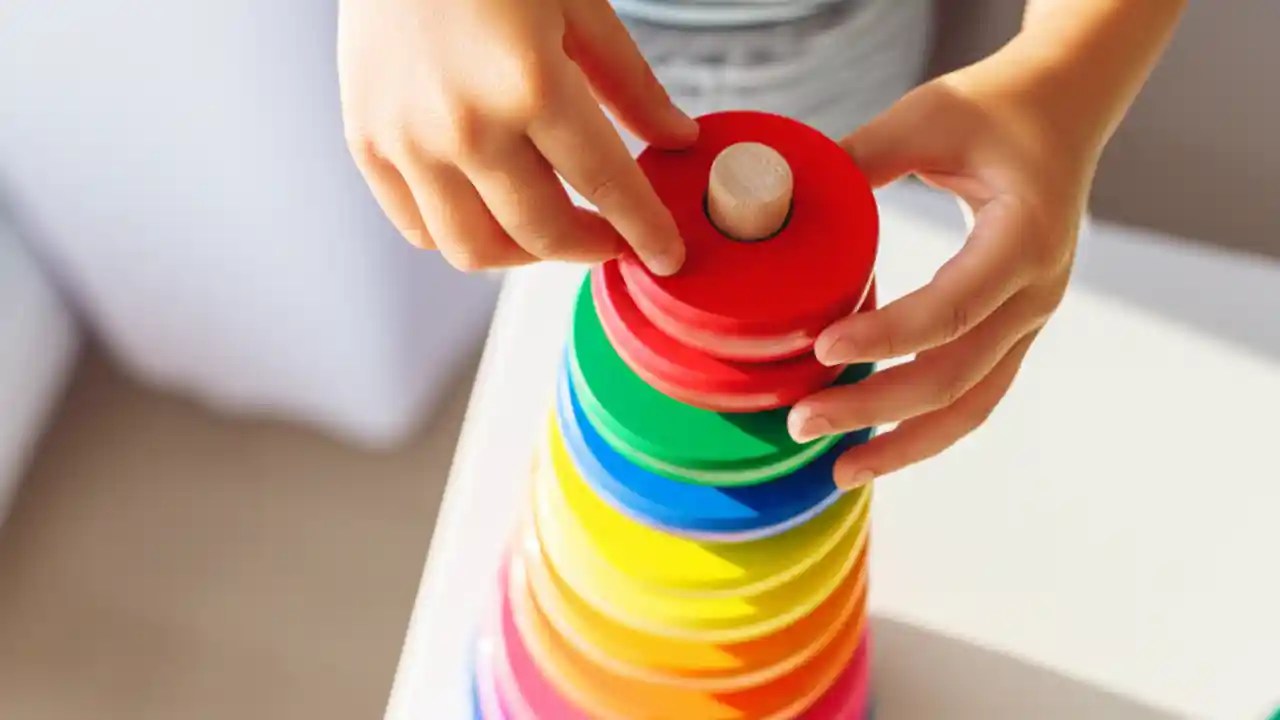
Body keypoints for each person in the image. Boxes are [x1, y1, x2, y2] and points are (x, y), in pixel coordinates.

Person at [337, 0, 1186, 488]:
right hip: (479, 44)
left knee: (752, 397)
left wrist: (1068, 70)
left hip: (816, 40)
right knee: (568, 326)